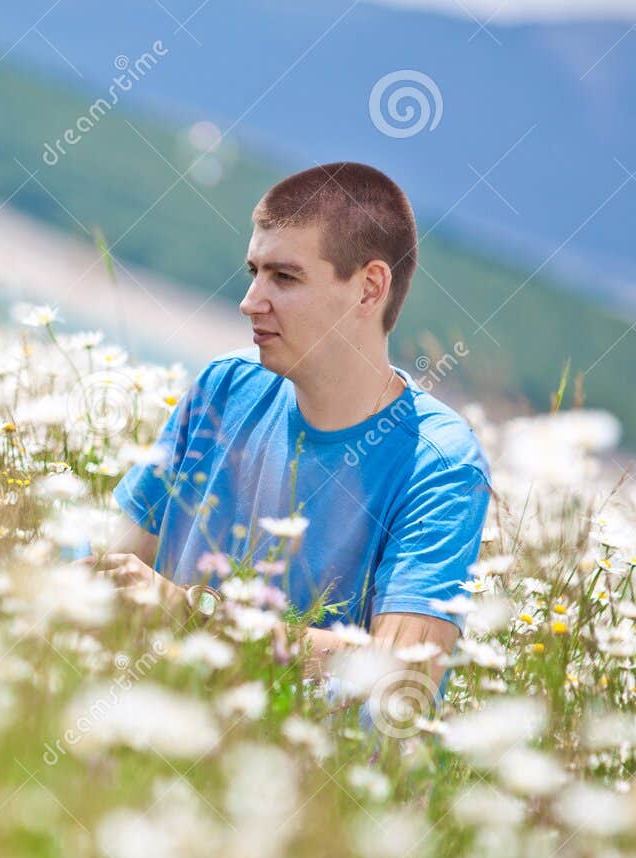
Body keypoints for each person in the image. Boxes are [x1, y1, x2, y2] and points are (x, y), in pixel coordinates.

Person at [99, 162, 492, 693]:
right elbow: (111, 559)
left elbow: (403, 673)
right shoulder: (225, 386)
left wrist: (194, 613)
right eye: (253, 272)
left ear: (369, 288)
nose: (250, 302)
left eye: (284, 277)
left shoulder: (438, 463)